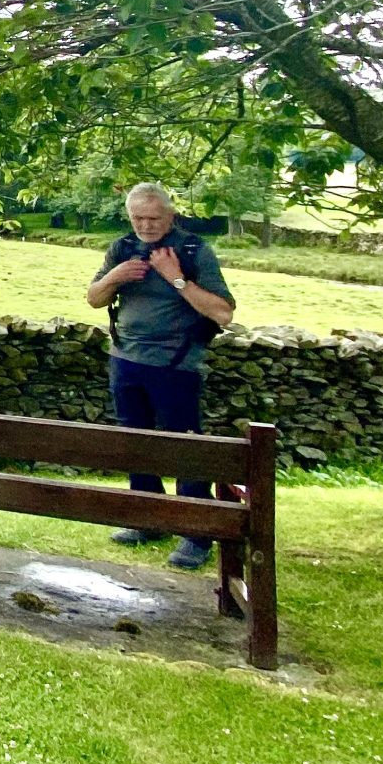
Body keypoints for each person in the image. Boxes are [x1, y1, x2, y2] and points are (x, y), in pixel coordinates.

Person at [85, 182, 237, 570]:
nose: (146, 226)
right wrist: (115, 276)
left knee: (184, 448)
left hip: (176, 364)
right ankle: (148, 520)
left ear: (171, 215)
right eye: (138, 218)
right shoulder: (122, 248)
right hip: (125, 359)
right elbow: (94, 299)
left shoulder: (193, 251)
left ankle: (196, 533)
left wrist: (176, 278)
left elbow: (223, 312)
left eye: (154, 218)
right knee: (136, 443)